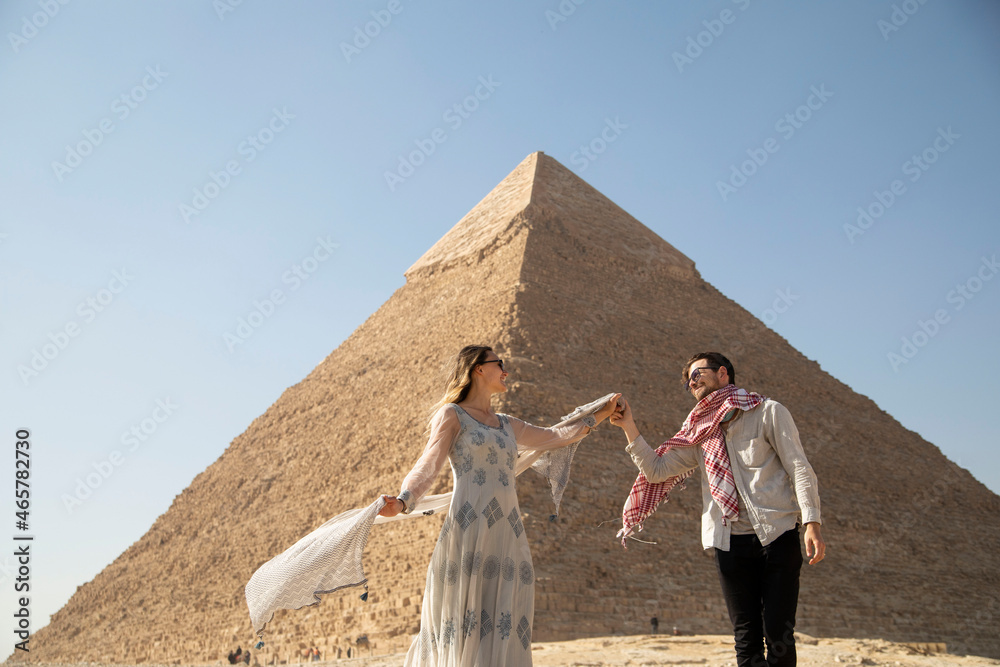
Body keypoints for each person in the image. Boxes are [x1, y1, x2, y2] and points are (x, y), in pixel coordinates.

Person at [379, 345, 619, 665]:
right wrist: (405, 499)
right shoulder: (452, 415)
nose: (506, 371)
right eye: (499, 364)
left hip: (508, 532)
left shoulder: (507, 423)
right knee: (463, 619)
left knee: (504, 617)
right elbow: (429, 463)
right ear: (479, 369)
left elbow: (556, 436)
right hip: (470, 529)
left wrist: (603, 412)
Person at [610, 352, 825, 667]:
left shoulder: (767, 412)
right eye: (689, 381)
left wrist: (812, 522)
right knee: (745, 639)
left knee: (779, 634)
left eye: (698, 374)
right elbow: (656, 470)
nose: (693, 382)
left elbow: (799, 468)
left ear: (723, 373)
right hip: (729, 541)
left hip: (777, 535)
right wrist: (628, 424)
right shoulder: (699, 434)